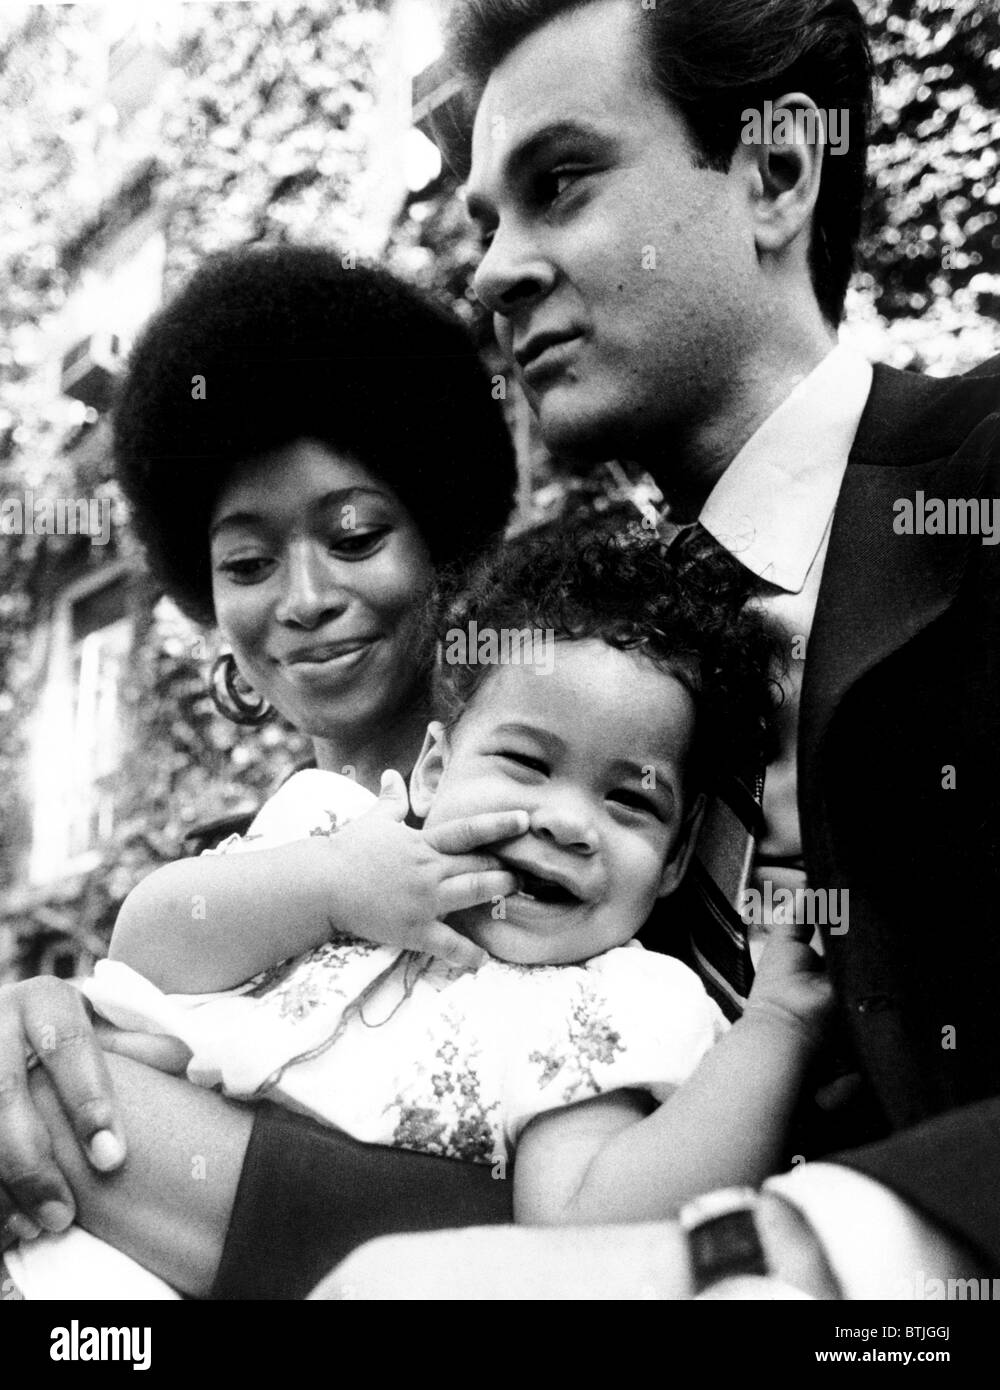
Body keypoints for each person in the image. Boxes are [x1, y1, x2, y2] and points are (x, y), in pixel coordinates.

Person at [309, 0, 1000, 1298]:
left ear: (777, 171)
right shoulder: (600, 677)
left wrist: (802, 1250)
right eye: (483, 222)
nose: (494, 268)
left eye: (559, 183)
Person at [4, 525, 831, 1298]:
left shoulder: (601, 1004)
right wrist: (330, 889)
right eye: (525, 762)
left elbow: (584, 1228)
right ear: (434, 770)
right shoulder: (333, 832)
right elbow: (151, 947)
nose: (569, 822)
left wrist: (779, 1026)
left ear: (676, 860)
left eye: (628, 802)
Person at [0, 242, 525, 1297]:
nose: (303, 597)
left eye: (356, 533)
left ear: (443, 544)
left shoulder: (545, 821)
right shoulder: (226, 880)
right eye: (246, 562)